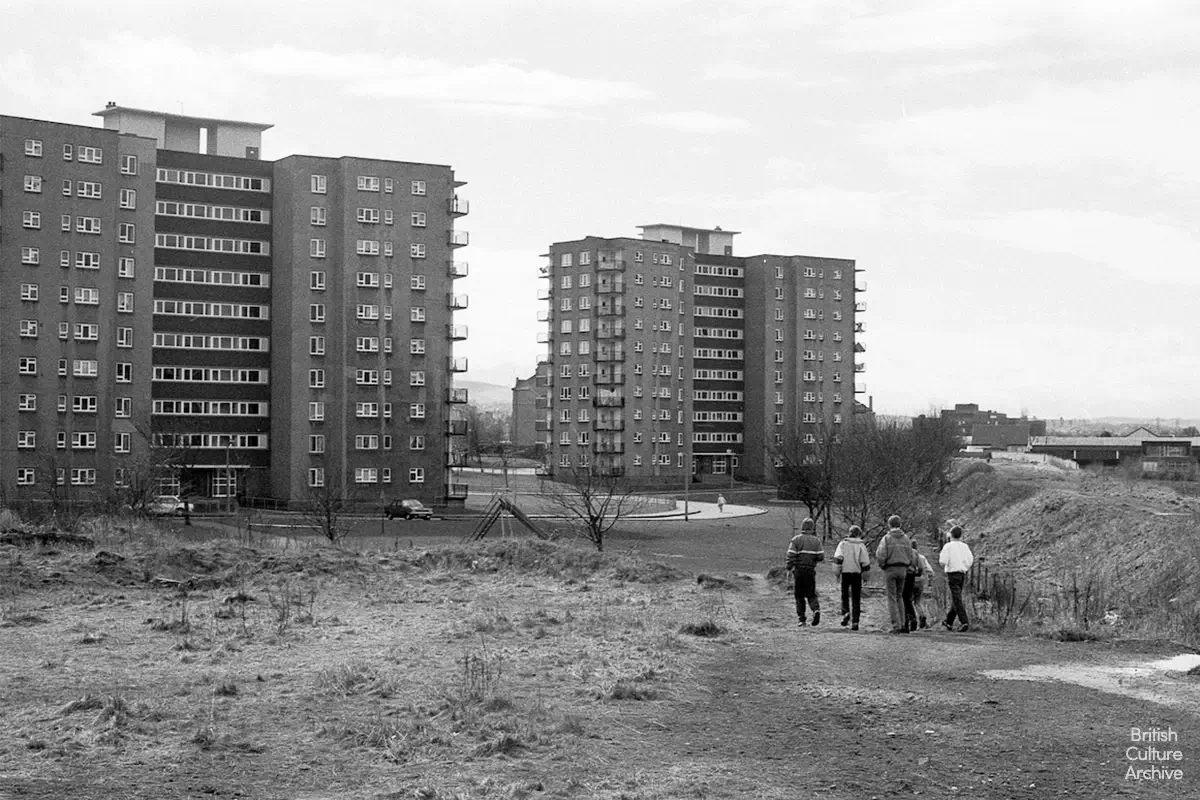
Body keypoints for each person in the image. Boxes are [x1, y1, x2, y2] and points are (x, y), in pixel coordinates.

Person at [874, 515, 915, 634]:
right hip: (903, 569)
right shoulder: (906, 538)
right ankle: (903, 624)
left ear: (889, 525)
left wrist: (882, 565)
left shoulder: (887, 538)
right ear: (900, 525)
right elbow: (911, 555)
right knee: (899, 596)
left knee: (891, 597)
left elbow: (881, 554)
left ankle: (895, 625)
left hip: (890, 569)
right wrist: (907, 565)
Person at [786, 517, 824, 627]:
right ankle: (816, 610)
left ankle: (802, 619)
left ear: (802, 527)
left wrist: (789, 567)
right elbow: (821, 556)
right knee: (811, 594)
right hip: (810, 571)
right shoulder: (816, 541)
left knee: (799, 596)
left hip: (798, 571)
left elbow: (790, 554)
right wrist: (813, 559)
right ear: (812, 529)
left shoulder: (796, 540)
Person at [833, 524, 871, 631]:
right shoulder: (861, 546)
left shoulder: (843, 544)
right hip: (857, 574)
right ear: (859, 534)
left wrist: (837, 573)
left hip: (845, 573)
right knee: (856, 598)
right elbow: (865, 563)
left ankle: (846, 612)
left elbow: (838, 558)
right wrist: (866, 578)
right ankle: (855, 622)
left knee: (844, 595)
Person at [940, 525, 975, 632]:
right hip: (962, 574)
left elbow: (943, 561)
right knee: (957, 597)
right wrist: (965, 567)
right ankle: (948, 621)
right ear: (961, 535)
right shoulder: (965, 546)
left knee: (957, 599)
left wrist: (946, 566)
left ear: (950, 535)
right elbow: (970, 560)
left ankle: (964, 621)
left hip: (952, 573)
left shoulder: (948, 546)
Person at [910, 541, 934, 630]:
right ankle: (922, 616)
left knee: (908, 602)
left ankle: (911, 621)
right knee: (918, 602)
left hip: (911, 581)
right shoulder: (922, 558)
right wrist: (930, 582)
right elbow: (930, 571)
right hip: (920, 582)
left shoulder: (908, 557)